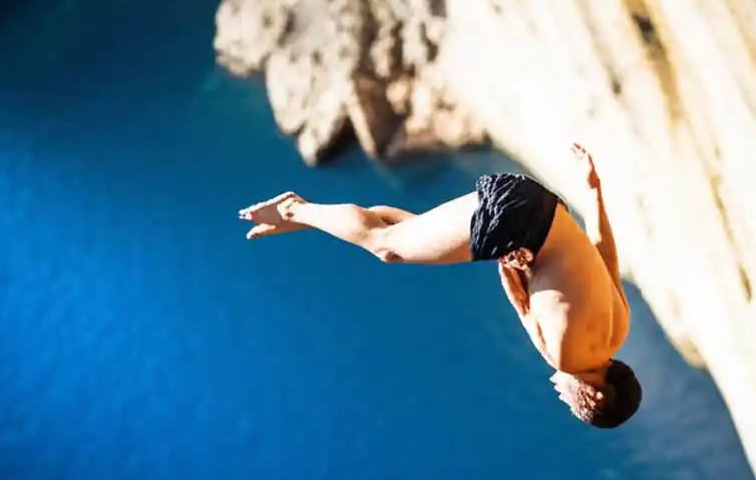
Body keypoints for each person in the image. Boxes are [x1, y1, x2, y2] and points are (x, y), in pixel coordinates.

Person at [238, 143, 642, 427]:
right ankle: (295, 209)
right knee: (387, 248)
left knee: (413, 232)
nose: (563, 400)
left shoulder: (619, 326)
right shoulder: (565, 360)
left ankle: (313, 217)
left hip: (541, 206)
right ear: (597, 397)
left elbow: (603, 251)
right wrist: (511, 258)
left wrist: (594, 192)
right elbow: (519, 299)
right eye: (574, 407)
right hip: (514, 225)